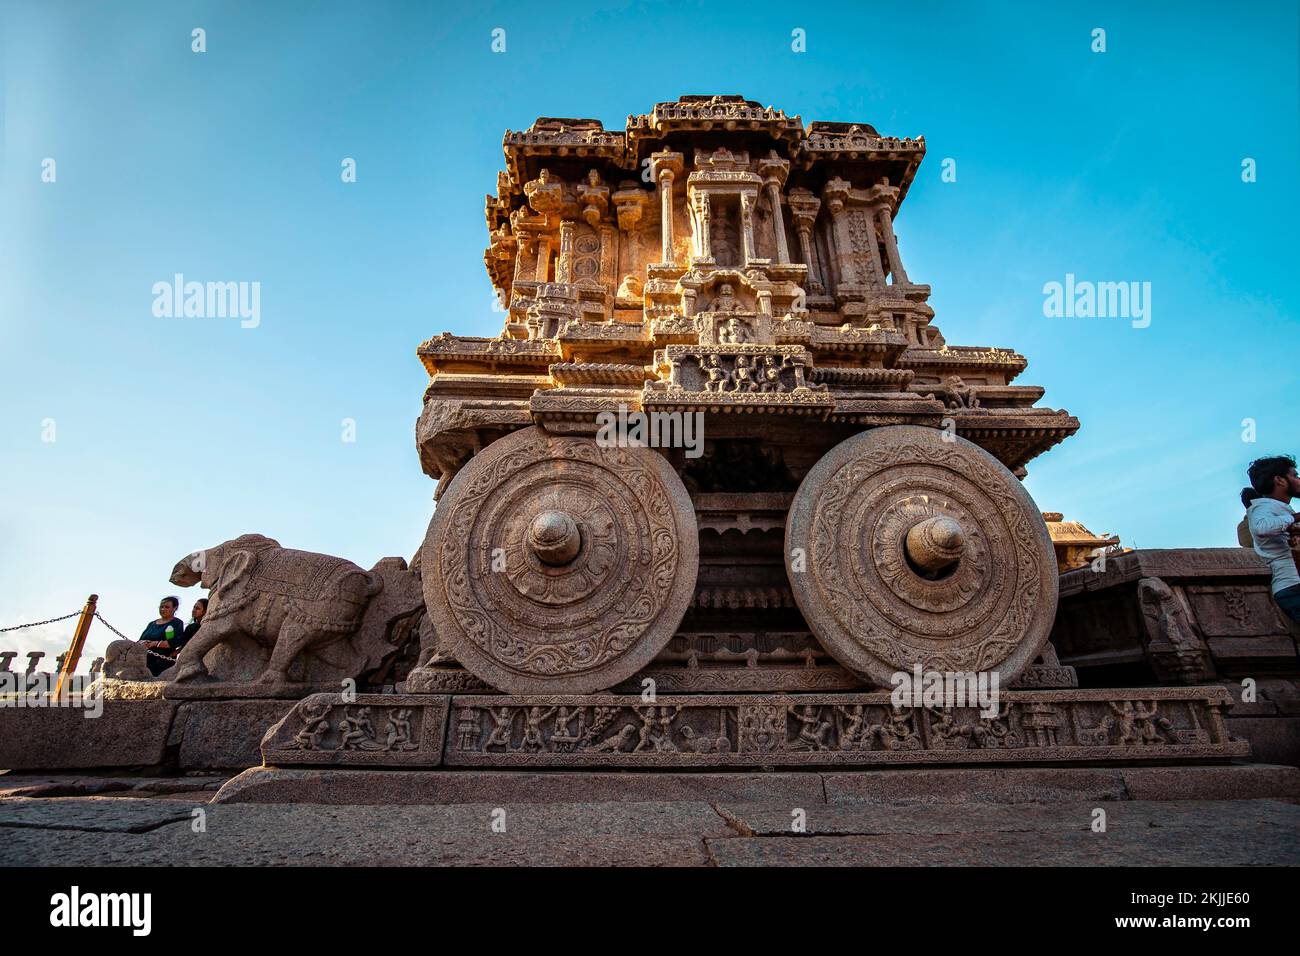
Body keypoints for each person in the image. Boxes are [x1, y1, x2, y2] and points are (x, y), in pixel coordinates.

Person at [1242, 455, 1300, 623]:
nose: (1298, 480)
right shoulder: (1261, 507)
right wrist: (1295, 518)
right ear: (1279, 480)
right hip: (1293, 586)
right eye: (1295, 476)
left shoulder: (1279, 508)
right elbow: (1262, 527)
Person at [139, 596, 185, 677]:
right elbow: (141, 639)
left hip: (163, 662)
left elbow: (175, 642)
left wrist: (154, 643)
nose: (163, 609)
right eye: (161, 607)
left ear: (175, 608)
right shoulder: (151, 624)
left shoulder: (177, 623)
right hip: (145, 662)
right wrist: (143, 643)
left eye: (167, 607)